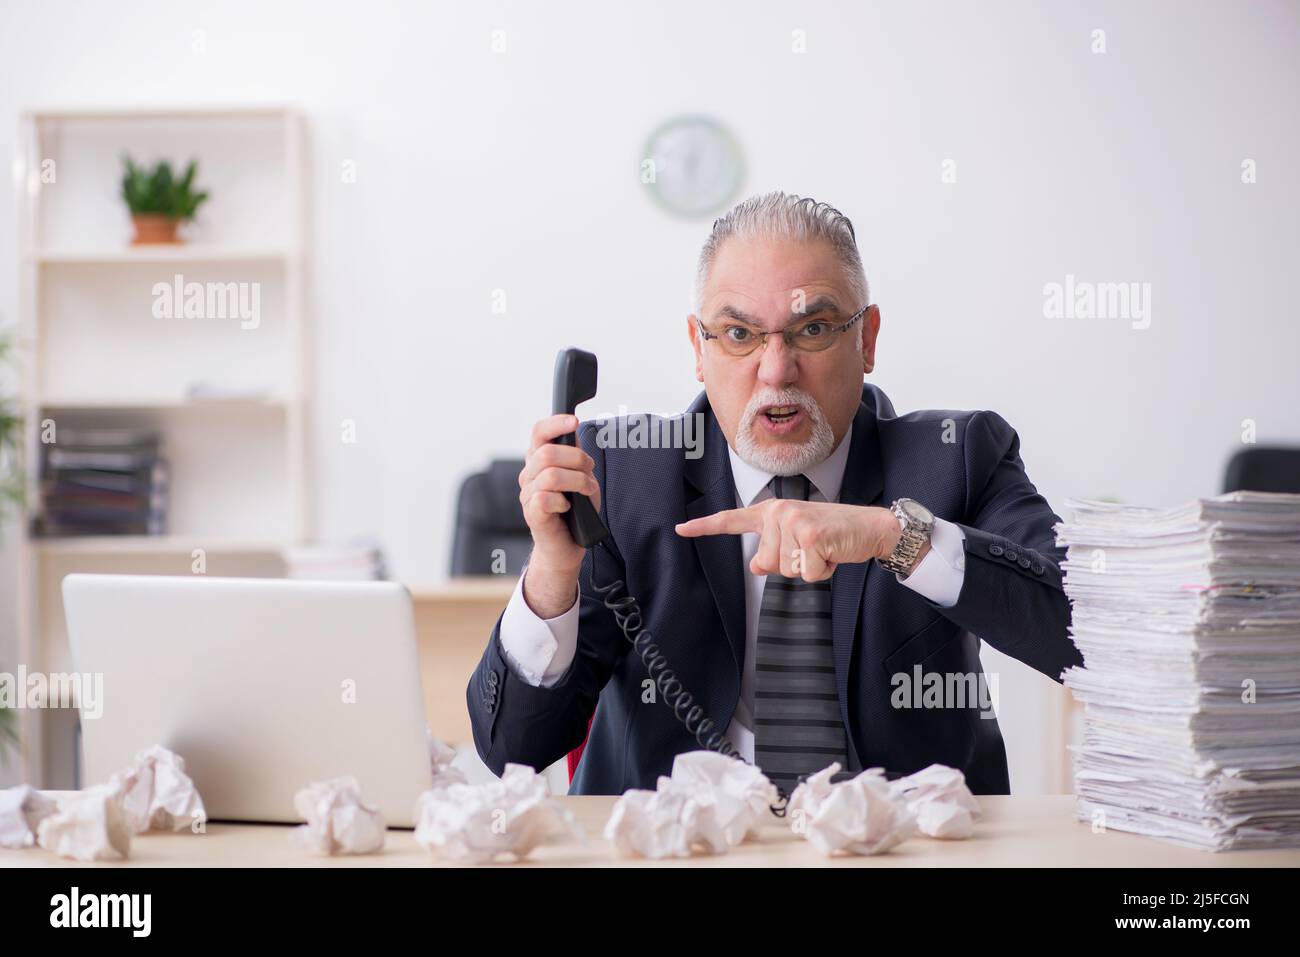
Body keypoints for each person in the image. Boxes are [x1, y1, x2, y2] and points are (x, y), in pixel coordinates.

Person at [468, 191, 1081, 796]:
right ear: (698, 350)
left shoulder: (959, 456)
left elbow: (1083, 638)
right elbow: (512, 748)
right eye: (739, 334)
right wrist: (553, 568)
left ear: (866, 340)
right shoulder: (620, 474)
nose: (776, 370)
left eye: (812, 328)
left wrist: (898, 539)